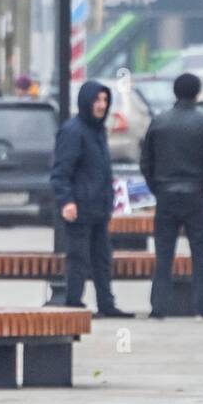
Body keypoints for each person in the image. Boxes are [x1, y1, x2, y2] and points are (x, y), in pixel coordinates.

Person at [138, 72, 203, 320]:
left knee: (163, 254)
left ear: (175, 93)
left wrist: (157, 188)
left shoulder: (159, 122)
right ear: (197, 93)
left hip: (166, 196)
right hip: (196, 195)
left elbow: (145, 162)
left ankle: (158, 307)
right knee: (200, 253)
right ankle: (202, 306)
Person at [49, 80, 134, 318]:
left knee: (102, 258)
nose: (101, 105)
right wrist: (67, 201)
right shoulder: (73, 131)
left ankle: (106, 303)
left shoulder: (98, 130)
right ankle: (74, 302)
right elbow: (60, 172)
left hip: (98, 207)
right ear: (86, 102)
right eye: (97, 100)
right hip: (79, 207)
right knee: (78, 257)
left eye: (105, 100)